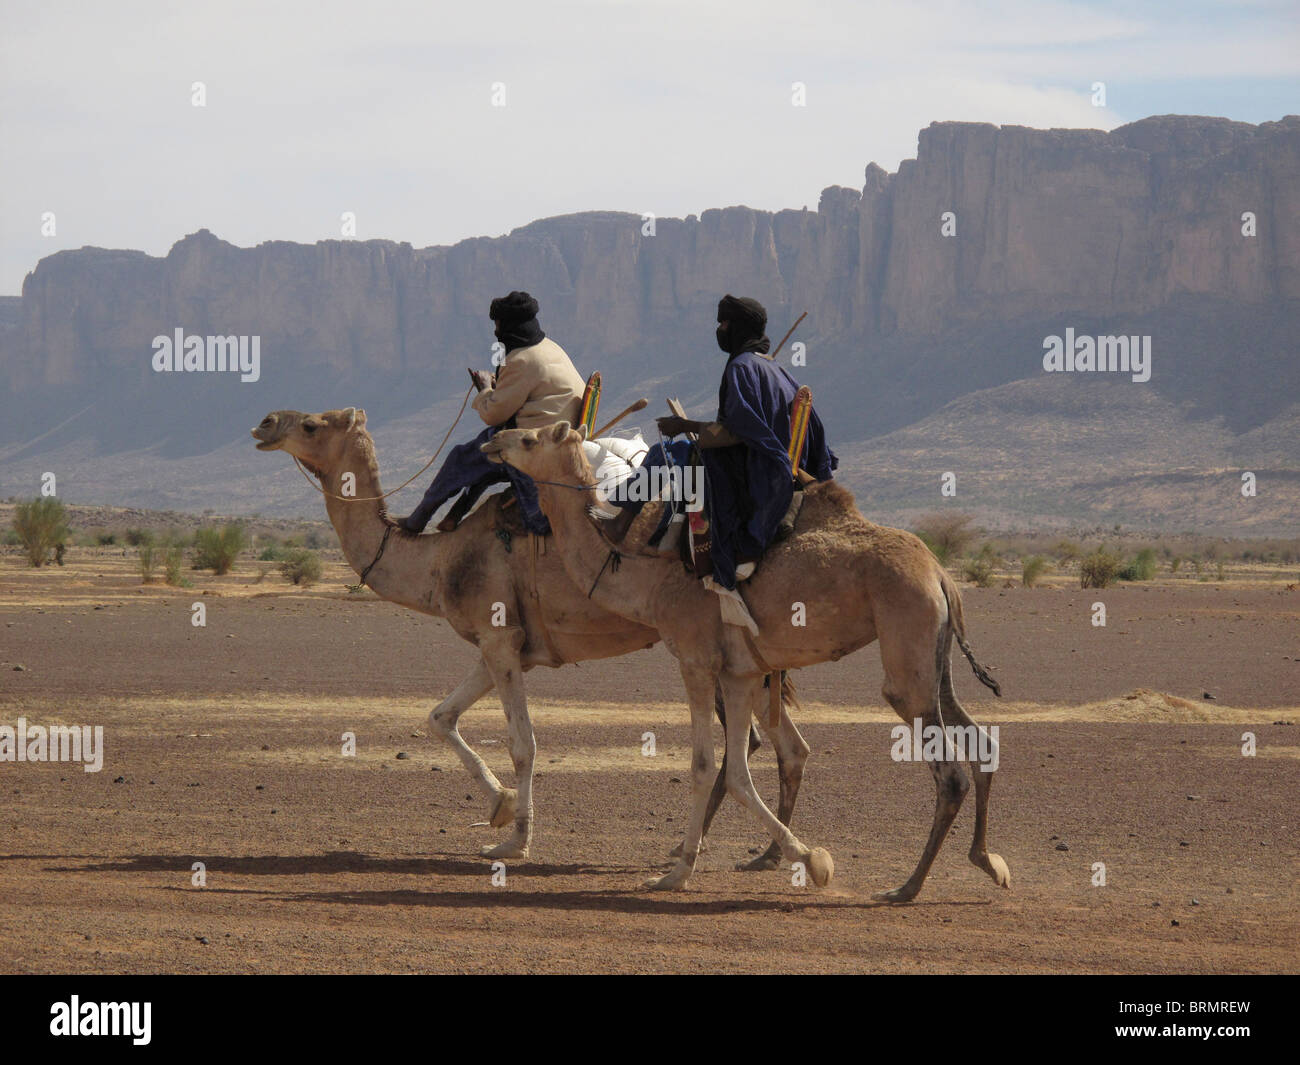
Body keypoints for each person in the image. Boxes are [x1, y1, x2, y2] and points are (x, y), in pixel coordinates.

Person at [603, 294, 837, 590]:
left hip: (752, 468)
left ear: (738, 327)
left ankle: (620, 522)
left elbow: (737, 432)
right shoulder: (779, 370)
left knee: (667, 451)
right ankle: (666, 531)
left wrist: (684, 426)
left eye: (724, 324)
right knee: (684, 451)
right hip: (770, 463)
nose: (720, 330)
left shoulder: (740, 367)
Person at [396, 291, 585, 535]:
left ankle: (417, 521)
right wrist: (500, 388)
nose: (496, 331)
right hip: (556, 433)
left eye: (498, 324)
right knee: (481, 451)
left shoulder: (521, 359)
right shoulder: (550, 347)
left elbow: (493, 415)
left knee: (461, 458)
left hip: (532, 443)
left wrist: (485, 388)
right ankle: (455, 514)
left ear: (507, 325)